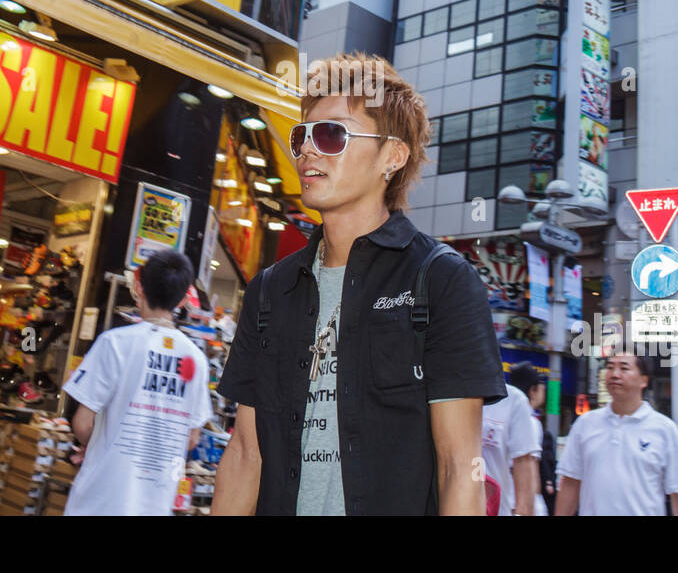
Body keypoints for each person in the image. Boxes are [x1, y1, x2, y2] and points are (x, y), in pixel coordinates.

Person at [213, 52, 506, 516]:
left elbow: (459, 466)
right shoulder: (270, 290)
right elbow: (246, 454)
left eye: (331, 135)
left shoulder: (442, 280)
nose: (308, 150)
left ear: (392, 155)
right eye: (302, 136)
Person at [62, 250, 212, 515]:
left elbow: (82, 423)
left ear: (139, 288)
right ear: (183, 298)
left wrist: (104, 447)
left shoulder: (116, 343)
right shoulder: (196, 359)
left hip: (99, 501)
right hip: (155, 504)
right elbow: (191, 437)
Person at [556, 353, 678, 515]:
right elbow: (570, 483)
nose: (615, 374)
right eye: (610, 367)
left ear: (644, 380)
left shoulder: (665, 430)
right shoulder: (585, 425)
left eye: (624, 368)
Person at [482, 368, 541, 515]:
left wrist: (522, 511)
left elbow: (526, 464)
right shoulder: (447, 393)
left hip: (500, 508)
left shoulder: (514, 401)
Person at [507, 362, 555, 515]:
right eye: (541, 387)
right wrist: (532, 507)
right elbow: (530, 469)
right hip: (520, 504)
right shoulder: (530, 422)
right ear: (533, 391)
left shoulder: (503, 415)